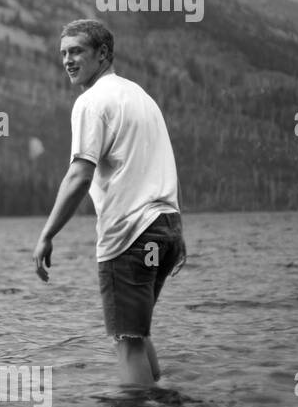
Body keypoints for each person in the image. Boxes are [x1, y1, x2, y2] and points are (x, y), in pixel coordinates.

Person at [33, 19, 186, 386]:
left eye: (77, 51)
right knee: (137, 332)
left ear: (103, 53)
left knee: (127, 341)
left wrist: (47, 234)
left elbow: (78, 176)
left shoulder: (92, 102)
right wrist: (174, 231)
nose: (68, 60)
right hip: (165, 229)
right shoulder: (141, 97)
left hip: (130, 234)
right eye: (64, 53)